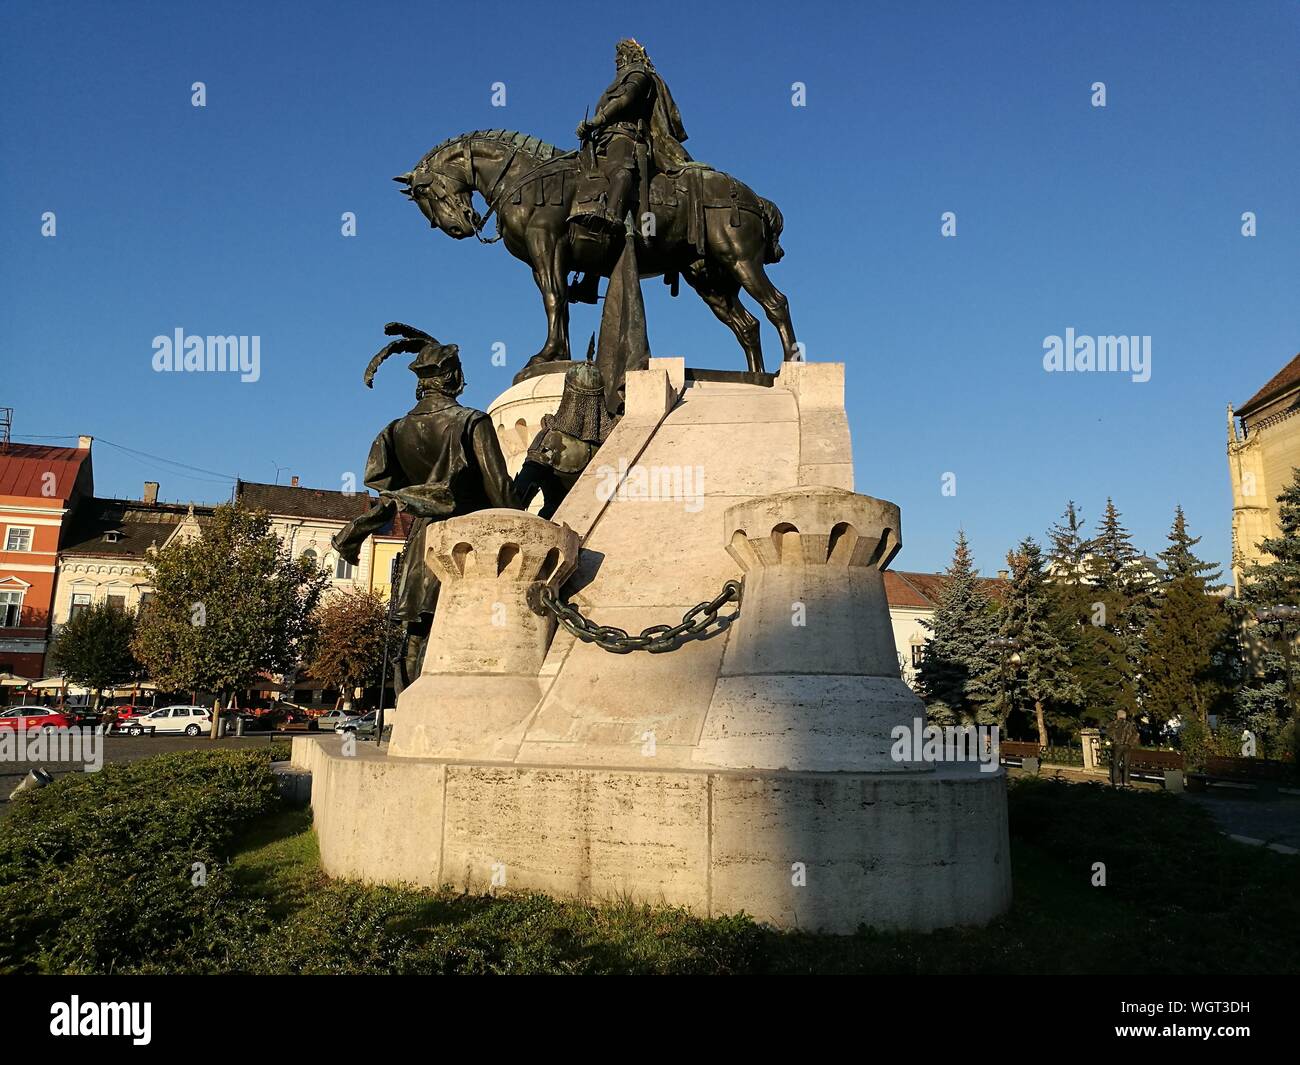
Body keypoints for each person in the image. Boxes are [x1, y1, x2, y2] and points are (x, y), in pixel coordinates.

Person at [333, 324, 518, 691]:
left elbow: (388, 487)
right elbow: (501, 495)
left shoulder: (395, 430)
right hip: (467, 543)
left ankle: (411, 707)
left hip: (421, 541)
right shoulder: (471, 422)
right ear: (453, 376)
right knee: (461, 626)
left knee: (417, 629)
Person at [572, 38, 691, 232]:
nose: (617, 60)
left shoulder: (638, 74)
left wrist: (597, 120)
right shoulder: (618, 80)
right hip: (603, 139)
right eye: (616, 56)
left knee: (620, 169)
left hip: (625, 134)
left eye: (620, 55)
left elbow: (625, 98)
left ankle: (612, 214)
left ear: (631, 55)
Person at [513, 357, 614, 518]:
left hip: (554, 521)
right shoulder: (612, 442)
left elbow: (521, 492)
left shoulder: (551, 438)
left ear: (569, 392)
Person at [1108, 709, 1139, 786]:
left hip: (1117, 745)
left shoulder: (1113, 724)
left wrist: (1115, 739)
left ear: (1117, 716)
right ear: (1125, 716)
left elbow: (1108, 732)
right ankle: (1126, 782)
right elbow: (1136, 734)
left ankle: (1117, 782)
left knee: (1116, 764)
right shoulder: (1129, 724)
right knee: (1127, 765)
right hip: (1127, 746)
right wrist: (1130, 743)